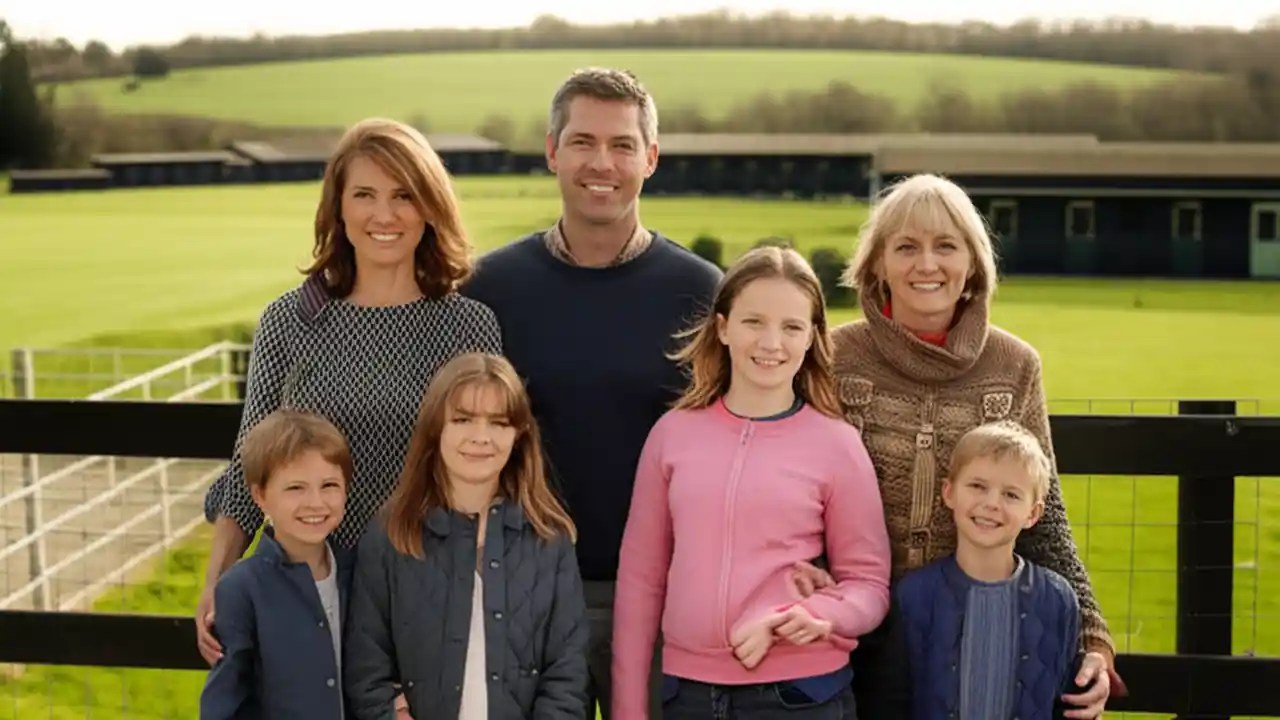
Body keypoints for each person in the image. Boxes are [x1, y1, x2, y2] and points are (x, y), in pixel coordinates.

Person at [794, 173, 1119, 718]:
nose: (927, 264)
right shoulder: (833, 355)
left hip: (966, 637)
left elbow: (1045, 512)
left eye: (946, 246)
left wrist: (1091, 636)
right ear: (878, 264)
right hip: (841, 632)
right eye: (906, 247)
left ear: (972, 264)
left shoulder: (1015, 365)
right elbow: (791, 486)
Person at [461, 67, 722, 717]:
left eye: (622, 145)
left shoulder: (702, 292)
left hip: (667, 597)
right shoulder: (491, 290)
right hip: (526, 593)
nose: (601, 163)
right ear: (552, 151)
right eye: (582, 142)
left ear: (651, 158)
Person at [197, 117, 502, 666]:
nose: (383, 215)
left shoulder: (469, 327)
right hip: (303, 591)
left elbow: (492, 469)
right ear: (338, 207)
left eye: (403, 195)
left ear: (430, 207)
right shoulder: (288, 322)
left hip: (427, 600)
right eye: (364, 194)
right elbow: (249, 464)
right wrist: (217, 579)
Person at [612, 246, 892, 719]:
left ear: (811, 338)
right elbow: (641, 583)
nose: (771, 343)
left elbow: (869, 586)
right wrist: (628, 710)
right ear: (723, 328)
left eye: (791, 327)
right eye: (753, 322)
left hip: (799, 694)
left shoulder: (837, 445)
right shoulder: (672, 435)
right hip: (689, 697)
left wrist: (818, 615)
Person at [344, 352, 589, 720]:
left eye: (498, 422)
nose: (481, 437)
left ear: (519, 433)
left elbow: (566, 676)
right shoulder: (391, 534)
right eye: (462, 420)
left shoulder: (548, 539)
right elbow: (367, 667)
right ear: (435, 427)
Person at [881, 421, 1088, 720]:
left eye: (1011, 495)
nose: (991, 503)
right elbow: (890, 700)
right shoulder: (915, 596)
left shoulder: (1056, 599)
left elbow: (1066, 702)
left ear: (1033, 514)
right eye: (978, 486)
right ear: (949, 492)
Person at [199, 410, 355, 719]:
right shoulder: (241, 589)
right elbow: (226, 701)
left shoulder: (360, 574)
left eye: (329, 485)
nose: (315, 502)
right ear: (260, 495)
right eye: (296, 488)